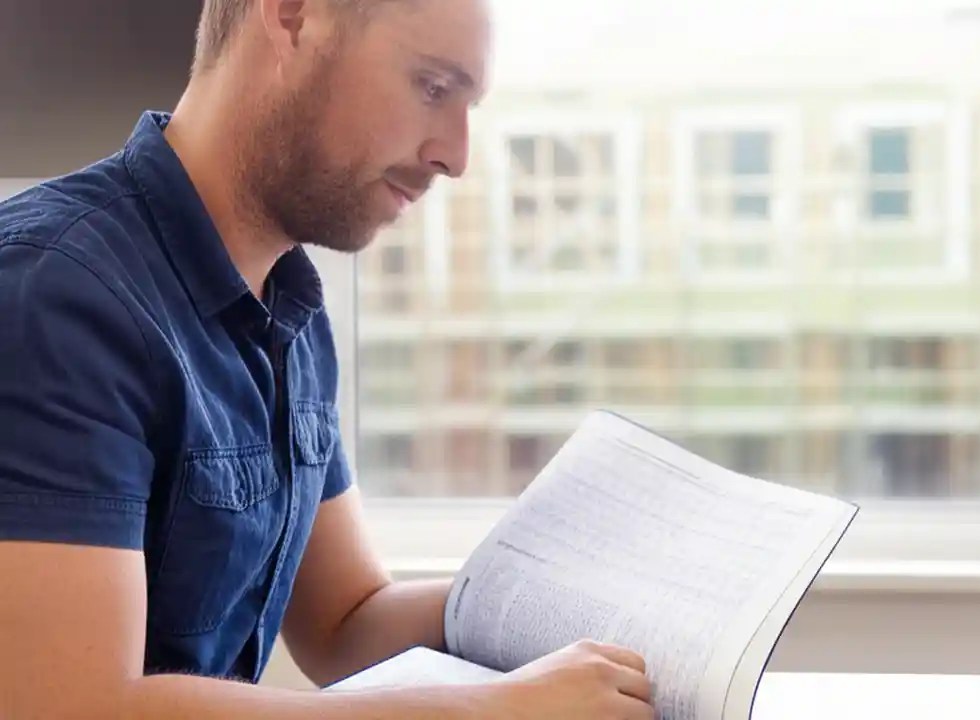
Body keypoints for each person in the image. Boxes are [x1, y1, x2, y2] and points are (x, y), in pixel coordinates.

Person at [0, 1, 653, 718]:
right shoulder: (52, 297)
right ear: (291, 17)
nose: (455, 156)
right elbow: (65, 705)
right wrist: (491, 712)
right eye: (433, 88)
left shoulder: (292, 315)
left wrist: (578, 603)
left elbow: (346, 621)